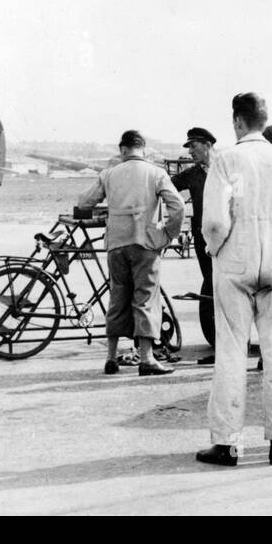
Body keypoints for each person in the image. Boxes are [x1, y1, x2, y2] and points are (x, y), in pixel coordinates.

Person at [197, 92, 272, 467]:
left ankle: (227, 443)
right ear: (264, 121)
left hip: (234, 262)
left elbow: (215, 221)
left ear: (237, 122)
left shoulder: (226, 160)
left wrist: (216, 250)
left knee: (230, 352)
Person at [77, 130, 184, 376]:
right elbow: (177, 206)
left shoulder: (109, 174)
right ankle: (146, 358)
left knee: (117, 298)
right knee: (146, 298)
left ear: (122, 149)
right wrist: (167, 234)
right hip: (146, 245)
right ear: (143, 149)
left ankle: (111, 357)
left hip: (116, 245)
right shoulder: (156, 173)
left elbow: (84, 203)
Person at [172, 127, 217, 348]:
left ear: (208, 144)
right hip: (202, 240)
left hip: (227, 239)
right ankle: (216, 336)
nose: (190, 151)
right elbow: (166, 186)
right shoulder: (192, 174)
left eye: (194, 146)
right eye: (189, 147)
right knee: (210, 283)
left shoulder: (226, 168)